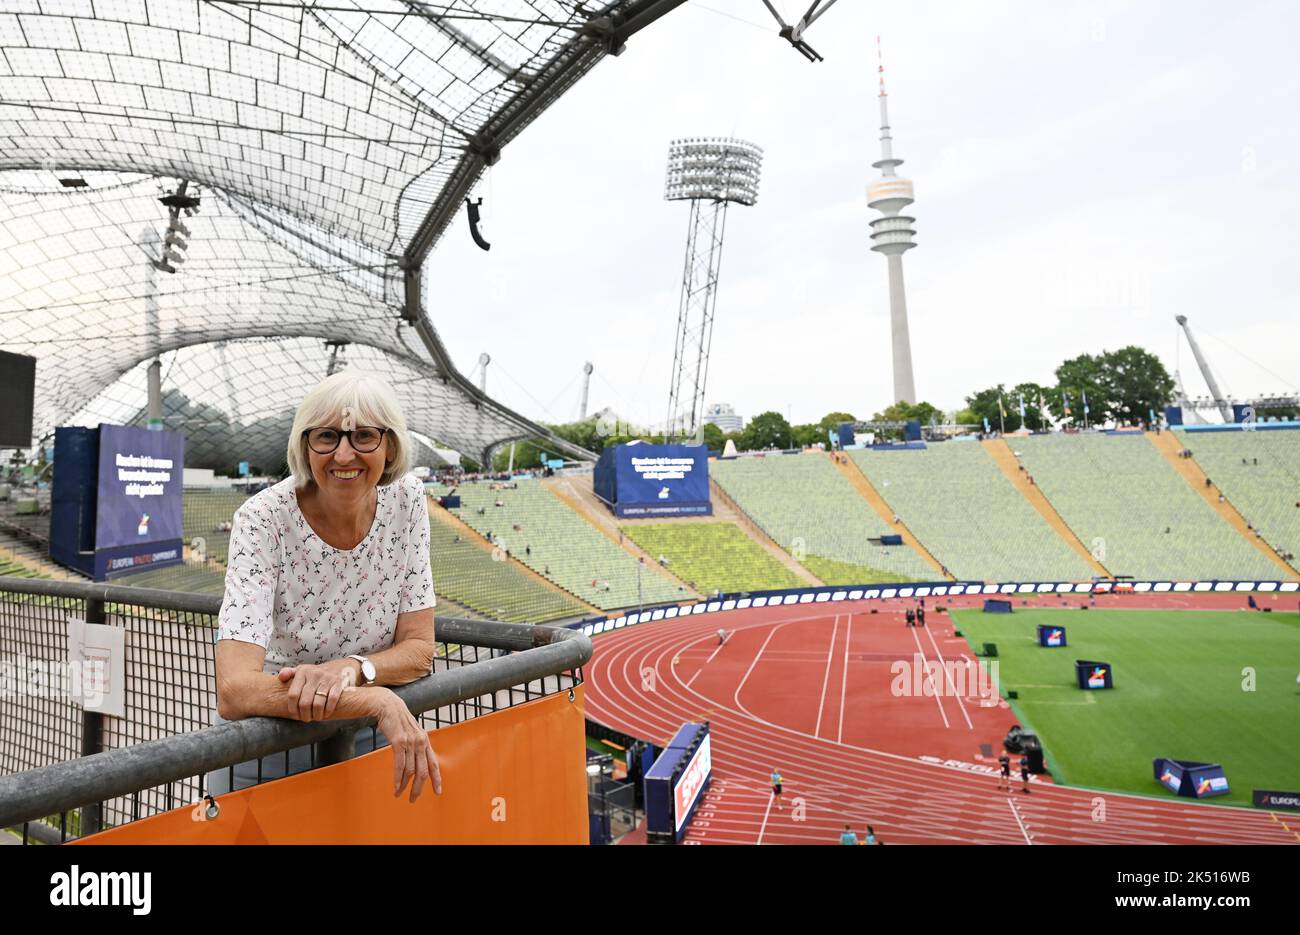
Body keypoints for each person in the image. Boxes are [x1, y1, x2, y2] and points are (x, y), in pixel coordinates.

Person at [212, 370, 441, 803]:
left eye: (364, 437)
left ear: (389, 445)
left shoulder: (408, 500)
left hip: (368, 742)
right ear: (305, 445)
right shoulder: (262, 519)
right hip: (267, 747)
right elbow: (235, 689)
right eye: (327, 437)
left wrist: (351, 670)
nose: (343, 454)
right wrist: (376, 701)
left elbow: (420, 648)